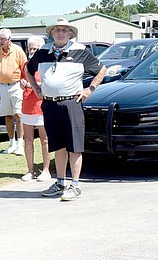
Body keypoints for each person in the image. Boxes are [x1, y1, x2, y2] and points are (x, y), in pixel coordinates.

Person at [26, 18, 105, 201]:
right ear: (52, 33)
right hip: (50, 104)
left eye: (64, 30)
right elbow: (29, 70)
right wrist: (36, 88)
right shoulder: (43, 51)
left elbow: (101, 70)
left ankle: (75, 185)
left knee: (74, 146)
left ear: (70, 33)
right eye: (57, 30)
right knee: (58, 145)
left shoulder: (80, 51)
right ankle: (60, 183)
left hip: (71, 103)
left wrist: (89, 90)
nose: (60, 33)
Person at [0, 28, 27, 155]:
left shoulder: (18, 50)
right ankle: (12, 144)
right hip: (2, 86)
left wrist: (24, 81)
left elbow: (25, 68)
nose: (0, 41)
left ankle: (20, 144)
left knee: (19, 114)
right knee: (8, 116)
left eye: (3, 39)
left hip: (17, 85)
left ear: (9, 39)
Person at [19, 36, 51, 182]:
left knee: (45, 140)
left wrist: (33, 84)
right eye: (30, 49)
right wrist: (22, 83)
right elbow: (23, 81)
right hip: (27, 106)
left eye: (35, 49)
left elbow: (48, 84)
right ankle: (30, 170)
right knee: (28, 139)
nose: (32, 51)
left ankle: (46, 170)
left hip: (42, 106)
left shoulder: (46, 65)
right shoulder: (26, 65)